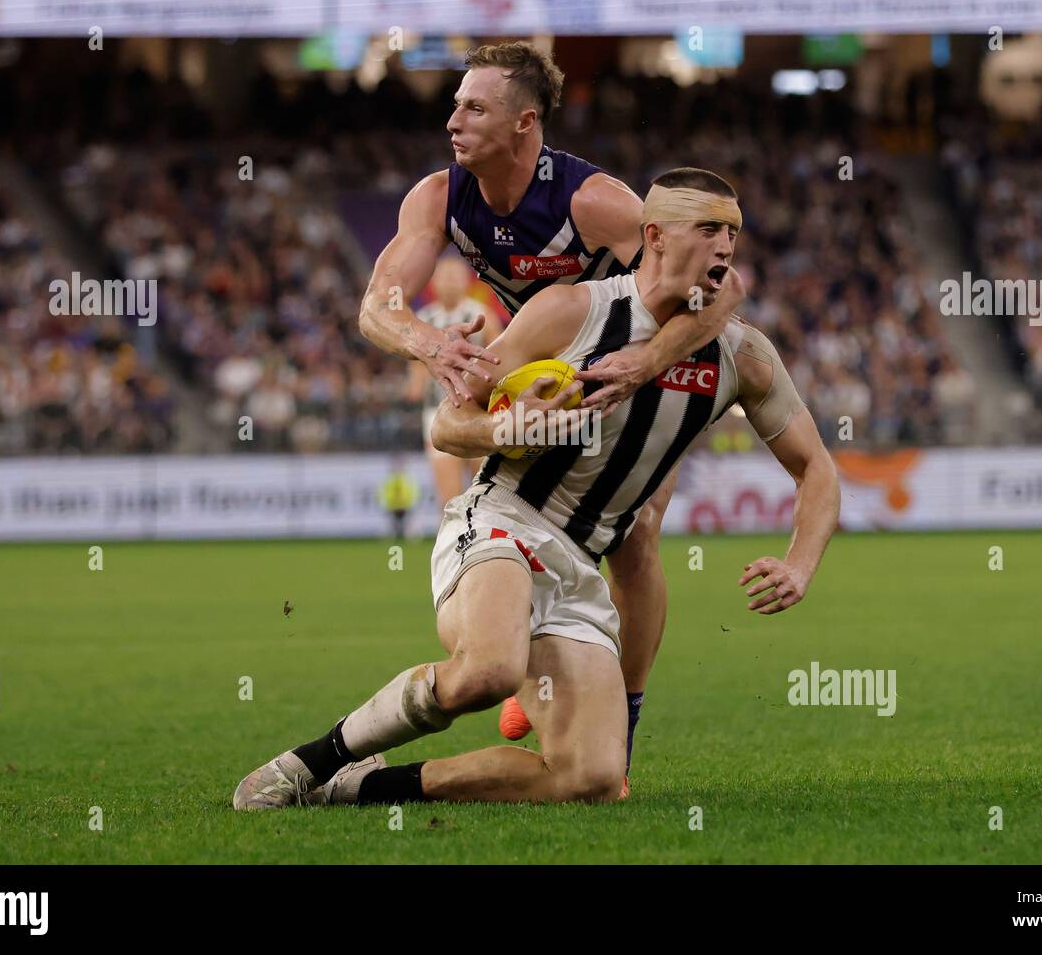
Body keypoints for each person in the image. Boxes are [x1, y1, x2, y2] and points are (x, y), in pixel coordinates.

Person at [233, 169, 840, 809]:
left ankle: (358, 787)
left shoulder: (742, 357)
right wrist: (506, 426)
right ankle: (308, 763)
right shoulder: (570, 311)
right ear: (655, 236)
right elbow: (448, 423)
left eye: (734, 233)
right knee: (488, 671)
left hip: (580, 565)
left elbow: (817, 470)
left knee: (593, 780)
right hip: (503, 519)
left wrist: (801, 564)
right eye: (710, 229)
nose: (726, 247)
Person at [355, 41, 739, 788]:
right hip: (538, 370)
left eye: (473, 106)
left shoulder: (593, 201)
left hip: (634, 374)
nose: (453, 118)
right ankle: (535, 675)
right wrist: (429, 343)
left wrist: (646, 362)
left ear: (525, 123)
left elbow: (721, 293)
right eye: (456, 103)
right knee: (512, 510)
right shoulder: (438, 196)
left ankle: (623, 717)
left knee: (634, 535)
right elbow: (377, 304)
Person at [405, 256, 501, 510]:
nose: (449, 283)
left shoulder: (482, 316)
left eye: (454, 276)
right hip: (436, 411)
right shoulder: (424, 318)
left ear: (466, 282)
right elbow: (416, 365)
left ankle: (478, 546)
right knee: (448, 498)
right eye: (444, 277)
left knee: (482, 492)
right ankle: (452, 547)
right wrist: (415, 386)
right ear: (433, 283)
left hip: (477, 409)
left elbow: (501, 358)